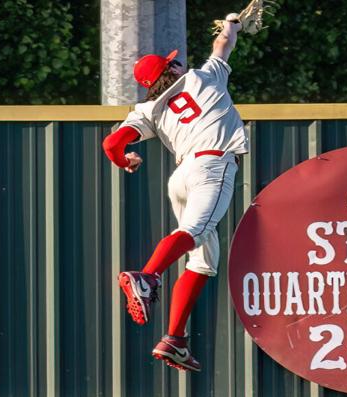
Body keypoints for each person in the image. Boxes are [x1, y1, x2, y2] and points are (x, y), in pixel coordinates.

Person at [104, 12, 249, 373]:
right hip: (213, 166)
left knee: (203, 261)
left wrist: (124, 161)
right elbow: (223, 44)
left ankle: (174, 340)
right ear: (171, 70)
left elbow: (111, 143)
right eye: (173, 62)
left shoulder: (147, 108)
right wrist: (232, 24)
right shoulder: (202, 76)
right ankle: (147, 276)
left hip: (182, 176)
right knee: (194, 232)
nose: (179, 63)